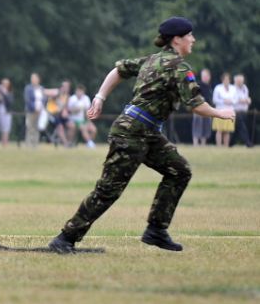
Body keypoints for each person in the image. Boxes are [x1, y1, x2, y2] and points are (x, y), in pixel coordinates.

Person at [49, 17, 236, 253]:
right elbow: (196, 104)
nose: (193, 40)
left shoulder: (151, 60)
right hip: (132, 132)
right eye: (190, 35)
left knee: (179, 171)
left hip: (146, 132)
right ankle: (65, 238)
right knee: (108, 190)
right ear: (177, 39)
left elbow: (118, 70)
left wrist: (100, 97)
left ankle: (156, 230)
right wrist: (221, 112)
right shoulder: (179, 67)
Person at [66, 84, 96, 148]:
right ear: (76, 91)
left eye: (81, 91)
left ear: (83, 92)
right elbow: (69, 111)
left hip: (82, 120)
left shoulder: (86, 98)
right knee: (81, 127)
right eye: (78, 91)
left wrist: (89, 122)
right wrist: (76, 110)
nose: (79, 93)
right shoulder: (72, 99)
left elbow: (87, 112)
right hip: (72, 119)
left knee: (93, 129)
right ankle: (69, 143)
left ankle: (89, 143)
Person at [212, 72, 236, 147]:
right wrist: (223, 101)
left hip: (230, 111)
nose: (226, 81)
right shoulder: (218, 88)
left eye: (228, 79)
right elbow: (214, 100)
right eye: (225, 79)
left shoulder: (233, 88)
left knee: (227, 130)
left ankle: (226, 146)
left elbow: (236, 99)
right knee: (219, 130)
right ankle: (219, 146)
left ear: (230, 80)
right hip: (220, 111)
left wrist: (231, 101)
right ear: (222, 80)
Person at [191, 68, 214, 146]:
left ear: (209, 77)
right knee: (197, 126)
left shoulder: (209, 87)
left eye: (206, 76)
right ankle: (196, 144)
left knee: (206, 127)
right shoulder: (198, 85)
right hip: (199, 108)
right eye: (203, 76)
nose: (204, 77)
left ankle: (203, 144)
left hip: (207, 109)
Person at [24, 73, 45, 147]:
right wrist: (34, 108)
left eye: (35, 78)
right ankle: (29, 143)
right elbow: (28, 100)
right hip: (31, 111)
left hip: (39, 111)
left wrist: (40, 108)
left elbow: (43, 99)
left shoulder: (41, 88)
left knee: (36, 127)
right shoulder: (28, 88)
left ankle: (35, 144)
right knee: (30, 127)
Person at [231, 74, 253, 147]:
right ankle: (248, 143)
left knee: (237, 129)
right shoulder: (232, 88)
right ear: (236, 81)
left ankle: (230, 143)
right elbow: (234, 100)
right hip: (236, 112)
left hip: (244, 112)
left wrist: (248, 100)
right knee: (242, 128)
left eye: (241, 81)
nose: (240, 82)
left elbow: (246, 98)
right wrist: (243, 100)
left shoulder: (245, 88)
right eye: (239, 81)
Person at [0, 78, 14, 147]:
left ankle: (5, 144)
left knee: (6, 128)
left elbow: (10, 102)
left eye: (6, 84)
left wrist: (5, 93)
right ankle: (2, 143)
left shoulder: (10, 93)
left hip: (7, 112)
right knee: (1, 128)